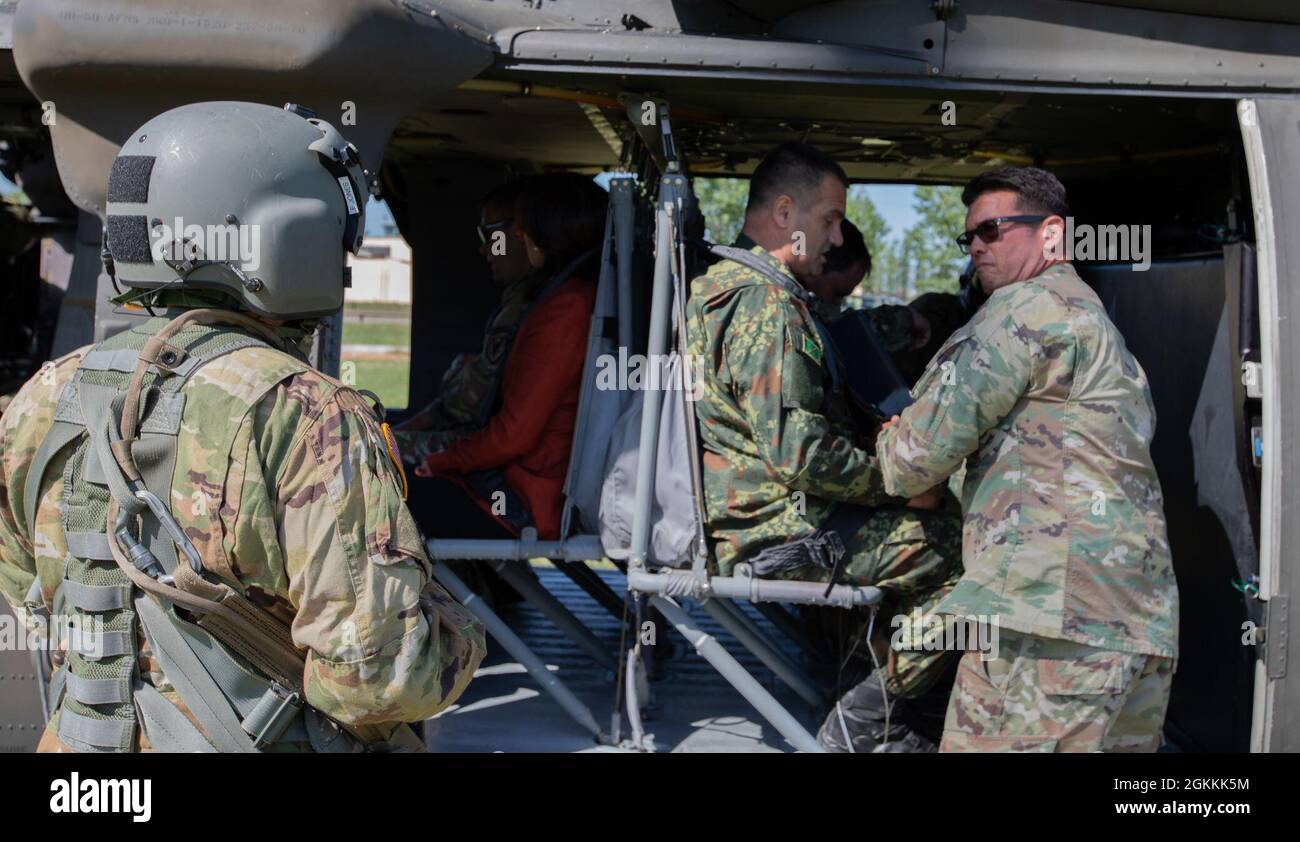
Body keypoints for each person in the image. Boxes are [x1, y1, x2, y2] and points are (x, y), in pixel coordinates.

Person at [0, 101, 485, 753]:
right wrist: (458, 631)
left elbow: (30, 594)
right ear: (287, 237)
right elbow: (376, 679)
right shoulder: (304, 412)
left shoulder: (48, 394)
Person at [876, 166, 1178, 752]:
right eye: (969, 236)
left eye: (992, 230)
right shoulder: (1097, 324)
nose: (976, 247)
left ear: (1051, 234)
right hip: (1138, 622)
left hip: (1046, 624)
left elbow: (912, 461)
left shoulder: (1020, 311)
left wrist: (891, 436)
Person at [686, 142, 962, 751]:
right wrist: (902, 482)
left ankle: (868, 681)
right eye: (830, 220)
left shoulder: (727, 285)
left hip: (760, 515)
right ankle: (868, 714)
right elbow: (800, 454)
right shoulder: (766, 303)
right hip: (773, 529)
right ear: (785, 213)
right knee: (964, 553)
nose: (837, 238)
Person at [408, 173, 606, 542]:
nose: (516, 235)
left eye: (522, 226)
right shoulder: (567, 299)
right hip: (518, 489)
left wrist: (438, 463)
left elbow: (512, 437)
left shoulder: (566, 309)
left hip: (518, 502)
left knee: (369, 492)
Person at [394, 179, 538, 463]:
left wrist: (460, 373)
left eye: (491, 235)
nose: (485, 249)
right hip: (488, 440)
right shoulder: (523, 300)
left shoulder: (529, 306)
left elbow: (473, 400)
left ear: (521, 234)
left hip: (492, 449)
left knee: (363, 453)